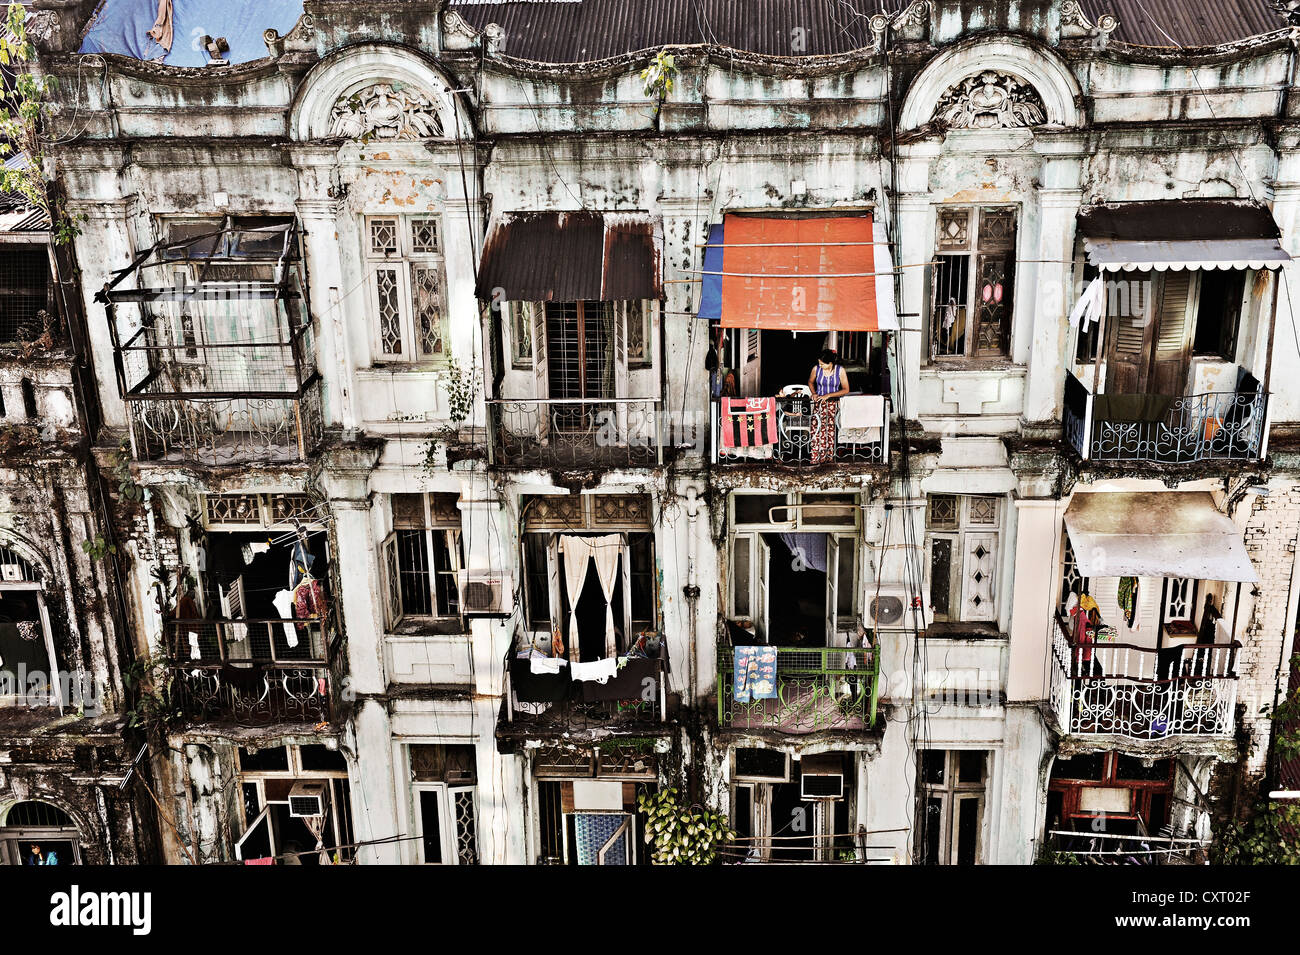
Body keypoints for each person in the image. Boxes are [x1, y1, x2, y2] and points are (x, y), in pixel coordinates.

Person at [807, 349, 850, 465]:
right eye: (819, 363)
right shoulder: (816, 369)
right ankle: (816, 457)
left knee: (830, 430)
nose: (820, 365)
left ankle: (828, 457)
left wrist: (829, 395)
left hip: (832, 405)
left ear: (830, 363)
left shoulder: (840, 371)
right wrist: (814, 393)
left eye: (822, 363)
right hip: (819, 404)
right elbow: (810, 382)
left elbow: (846, 389)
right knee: (816, 429)